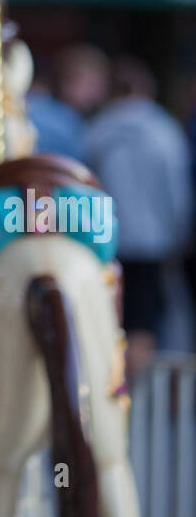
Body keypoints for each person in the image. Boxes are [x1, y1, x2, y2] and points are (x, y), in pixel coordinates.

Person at [83, 55, 193, 378]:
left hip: (106, 239)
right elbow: (177, 194)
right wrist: (178, 235)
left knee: (108, 314)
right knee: (144, 320)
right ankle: (134, 390)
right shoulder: (165, 131)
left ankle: (112, 383)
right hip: (153, 243)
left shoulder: (97, 132)